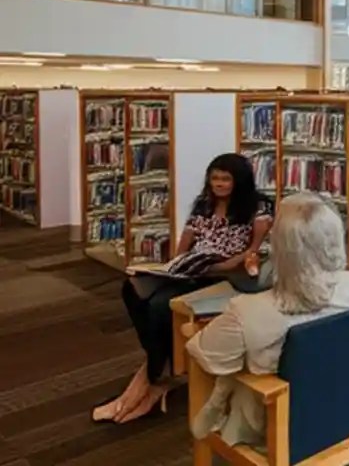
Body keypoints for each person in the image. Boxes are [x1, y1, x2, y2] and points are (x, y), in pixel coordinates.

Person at [185, 192, 349, 448]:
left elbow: (205, 355)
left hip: (281, 424)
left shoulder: (247, 312)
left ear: (279, 248)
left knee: (196, 340)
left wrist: (187, 330)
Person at [92, 153, 273, 424]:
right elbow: (186, 240)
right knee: (131, 288)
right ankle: (161, 363)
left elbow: (251, 252)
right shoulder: (204, 203)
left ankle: (156, 374)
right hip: (193, 268)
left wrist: (216, 267)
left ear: (240, 181)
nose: (219, 184)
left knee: (159, 305)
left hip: (223, 276)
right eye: (214, 178)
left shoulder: (257, 206)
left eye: (226, 179)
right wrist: (174, 267)